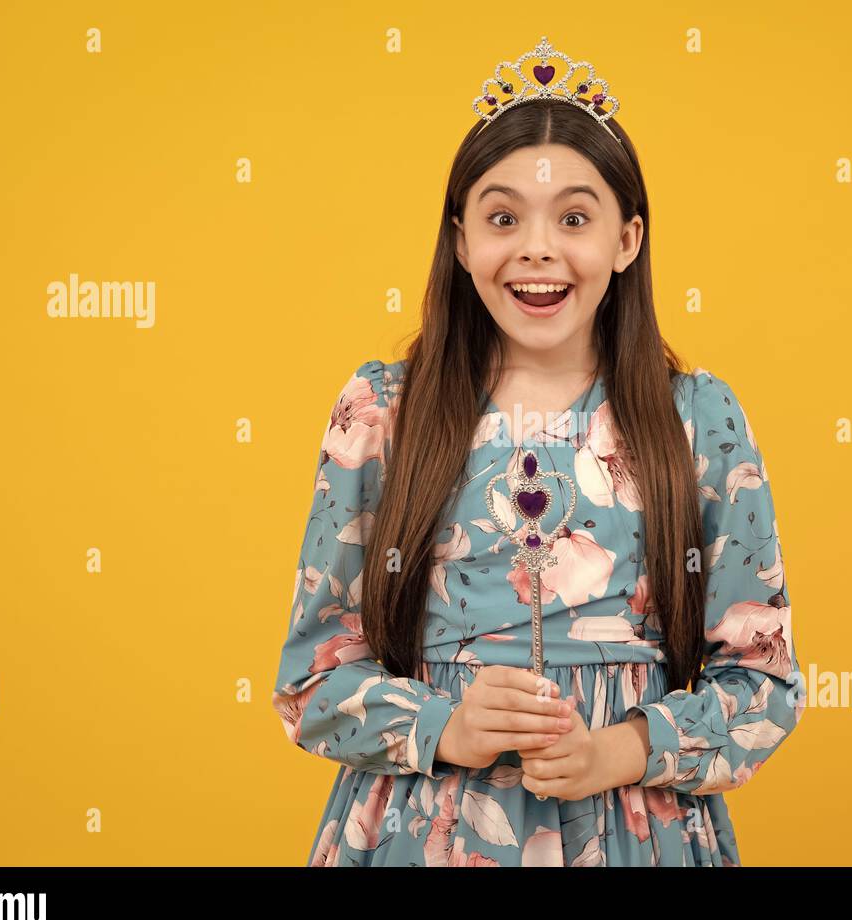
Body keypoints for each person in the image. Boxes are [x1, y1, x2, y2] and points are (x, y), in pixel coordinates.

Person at [271, 36, 804, 866]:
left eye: (575, 219)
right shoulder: (382, 412)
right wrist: (444, 725)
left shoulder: (698, 421)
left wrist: (616, 751)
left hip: (635, 837)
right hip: (426, 836)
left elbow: (762, 685)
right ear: (459, 240)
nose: (537, 248)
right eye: (502, 217)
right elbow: (311, 681)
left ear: (627, 242)